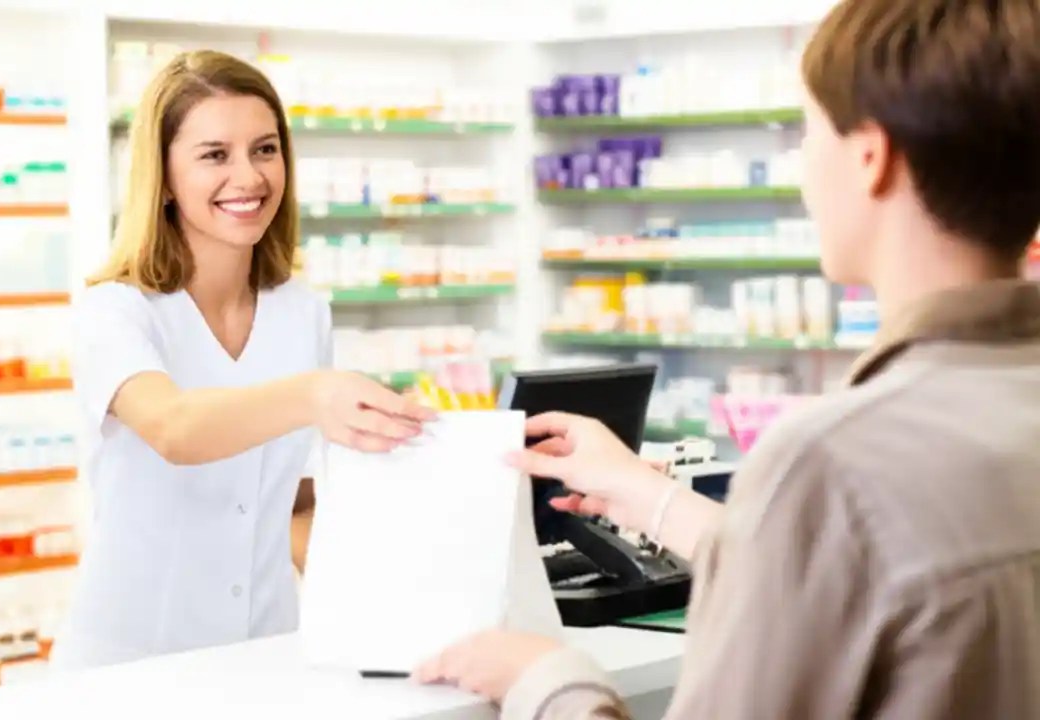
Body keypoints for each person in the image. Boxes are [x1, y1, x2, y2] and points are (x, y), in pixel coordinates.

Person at [417, 0, 1040, 717]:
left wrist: (553, 680)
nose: (801, 164)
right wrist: (650, 498)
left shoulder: (833, 462)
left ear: (873, 157)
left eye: (807, 132)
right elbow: (869, 570)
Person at [51, 50, 432, 670]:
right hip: (130, 668)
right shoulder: (115, 312)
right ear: (164, 177)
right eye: (213, 155)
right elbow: (174, 428)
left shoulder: (301, 311)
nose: (249, 177)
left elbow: (296, 509)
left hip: (267, 656)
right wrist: (313, 395)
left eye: (264, 149)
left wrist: (393, 600)